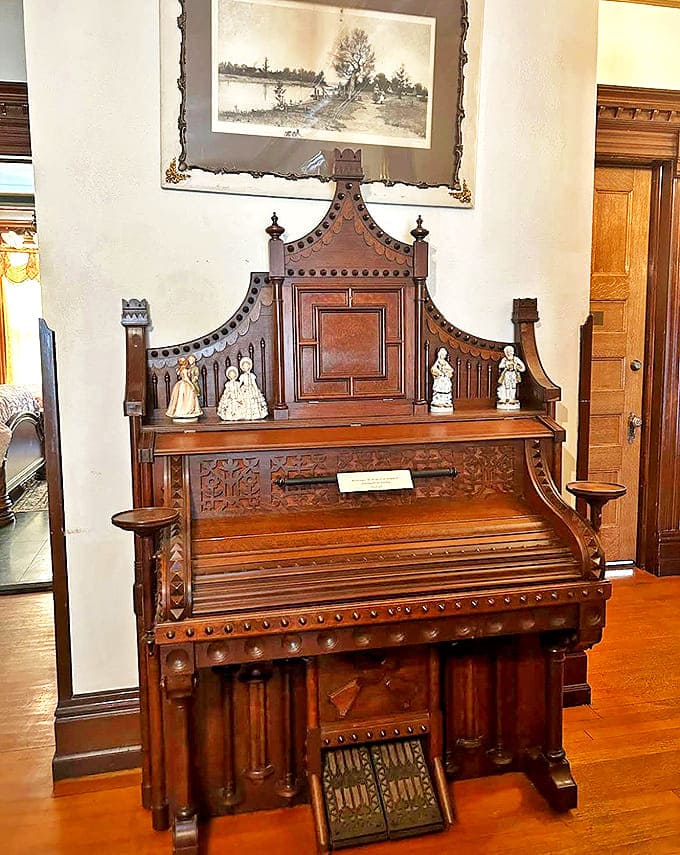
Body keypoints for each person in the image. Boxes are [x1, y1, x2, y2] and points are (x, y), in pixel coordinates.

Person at [166, 356, 203, 422]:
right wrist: (192, 386)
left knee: (181, 398)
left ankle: (180, 411)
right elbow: (186, 379)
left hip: (180, 384)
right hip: (185, 384)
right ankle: (186, 411)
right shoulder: (185, 370)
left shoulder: (179, 370)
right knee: (188, 397)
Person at [430, 347, 454, 413]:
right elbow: (433, 369)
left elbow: (451, 369)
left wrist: (447, 372)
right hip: (440, 379)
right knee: (439, 389)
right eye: (442, 354)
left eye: (444, 355)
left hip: (445, 379)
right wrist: (439, 372)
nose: (443, 356)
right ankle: (438, 402)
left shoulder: (445, 362)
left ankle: (446, 402)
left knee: (446, 389)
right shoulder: (437, 362)